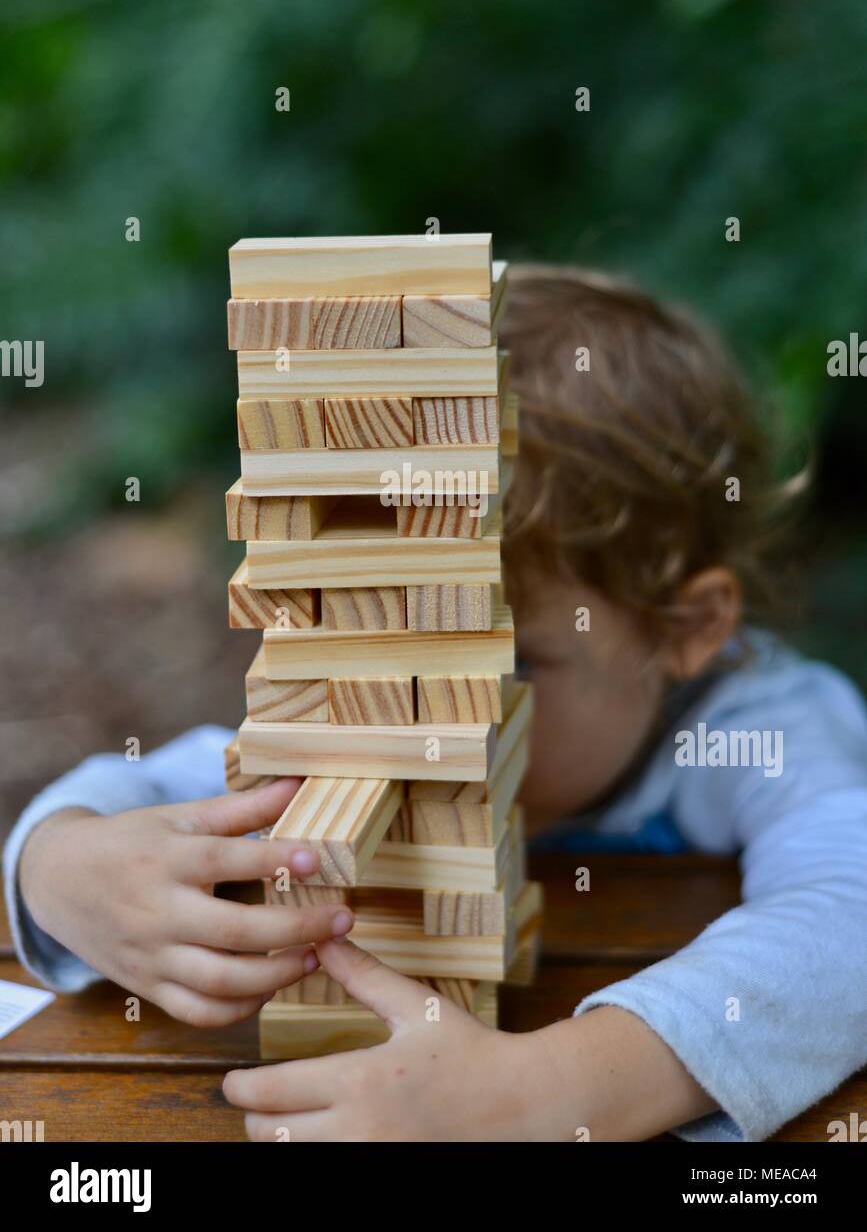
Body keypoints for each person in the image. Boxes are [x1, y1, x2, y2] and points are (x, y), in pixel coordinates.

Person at [6, 266, 867, 1141]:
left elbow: (852, 916)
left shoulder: (759, 725)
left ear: (684, 626)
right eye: (387, 646)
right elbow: (143, 792)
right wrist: (63, 872)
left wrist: (562, 1087)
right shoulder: (362, 714)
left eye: (511, 659)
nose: (428, 719)